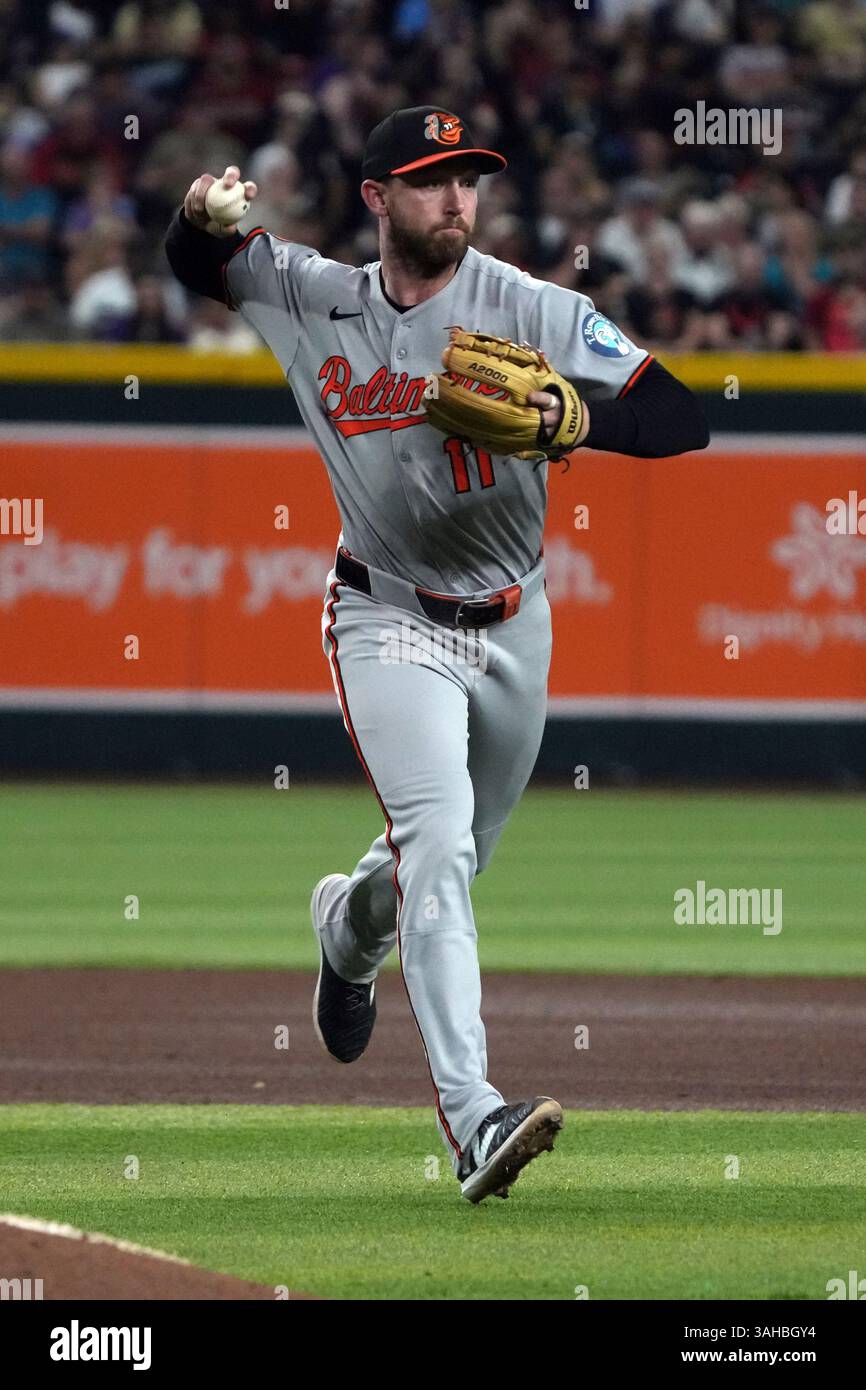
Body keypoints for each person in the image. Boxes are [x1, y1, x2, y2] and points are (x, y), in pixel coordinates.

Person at [165, 106, 708, 1203]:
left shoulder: (529, 306)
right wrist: (195, 219)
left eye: (467, 178)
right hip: (384, 615)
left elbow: (677, 415)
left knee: (442, 859)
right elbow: (200, 263)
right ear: (376, 198)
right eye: (428, 180)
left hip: (514, 625)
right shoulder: (310, 293)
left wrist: (574, 422)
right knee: (440, 843)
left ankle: (344, 926)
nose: (455, 199)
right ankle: (473, 1119)